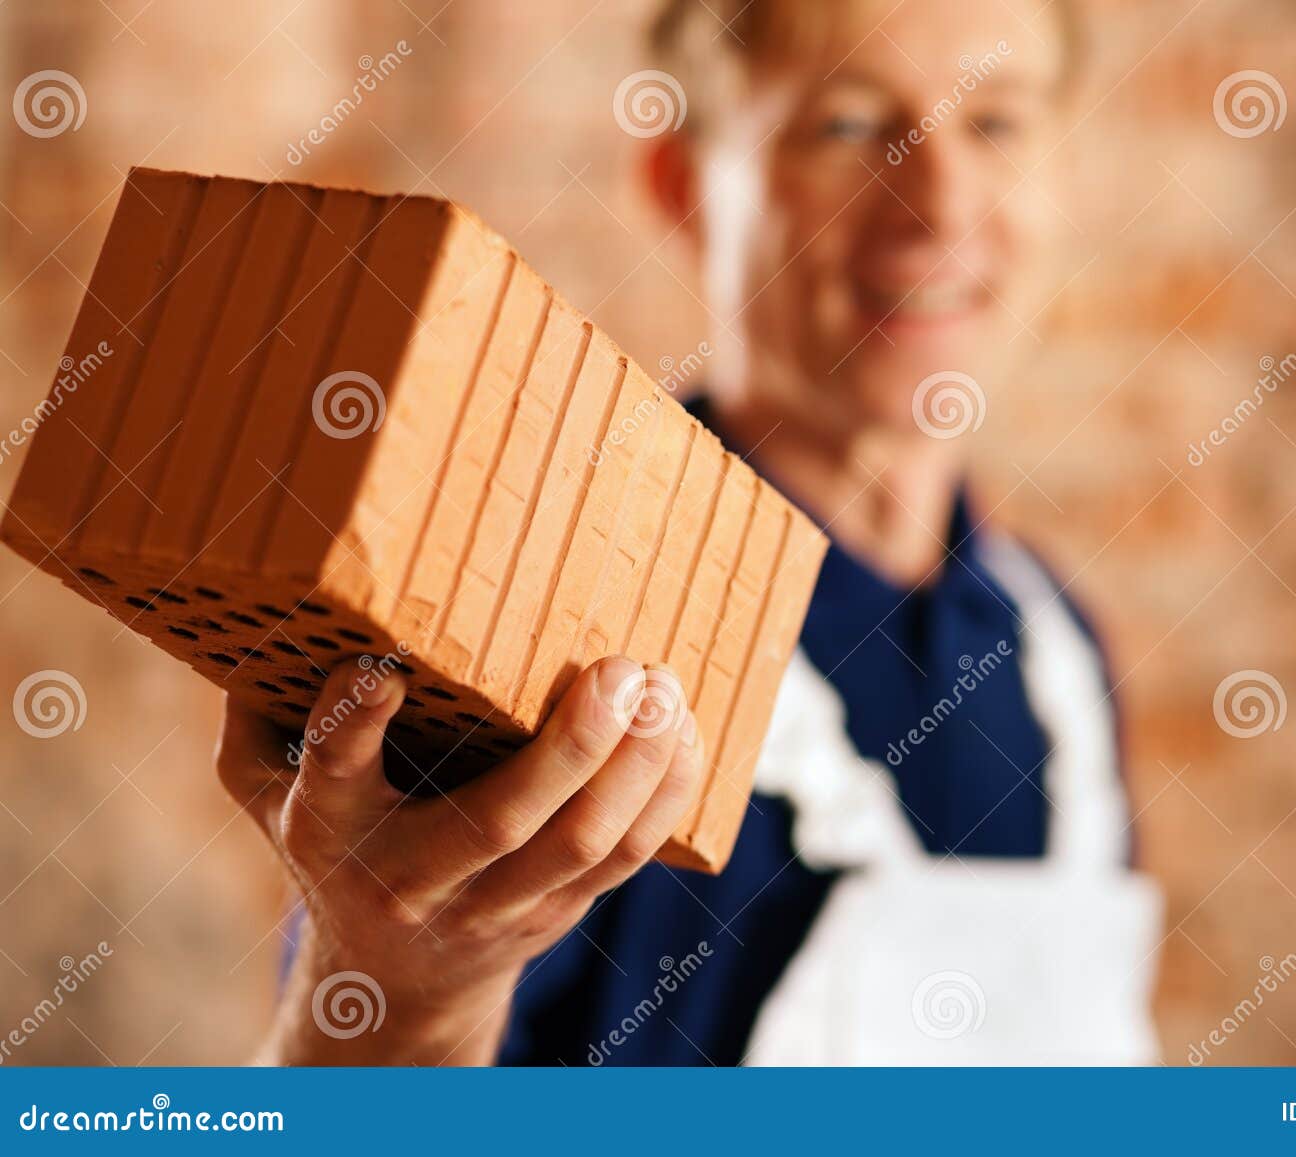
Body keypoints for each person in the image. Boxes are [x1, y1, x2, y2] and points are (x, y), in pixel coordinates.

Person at [216, 0, 1161, 1066]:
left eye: (994, 124)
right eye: (846, 127)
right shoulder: (539, 623)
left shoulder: (1057, 659)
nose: (940, 205)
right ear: (684, 186)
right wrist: (402, 989)